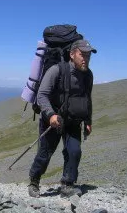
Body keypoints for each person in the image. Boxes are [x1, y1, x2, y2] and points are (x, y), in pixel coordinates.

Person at [28, 39, 97, 198]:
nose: (85, 59)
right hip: (53, 120)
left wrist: (88, 121)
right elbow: (42, 95)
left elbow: (87, 99)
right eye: (82, 54)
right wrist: (51, 115)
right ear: (72, 54)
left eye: (88, 55)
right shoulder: (56, 70)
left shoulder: (88, 76)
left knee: (74, 151)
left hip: (73, 121)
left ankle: (67, 184)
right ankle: (34, 181)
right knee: (45, 153)